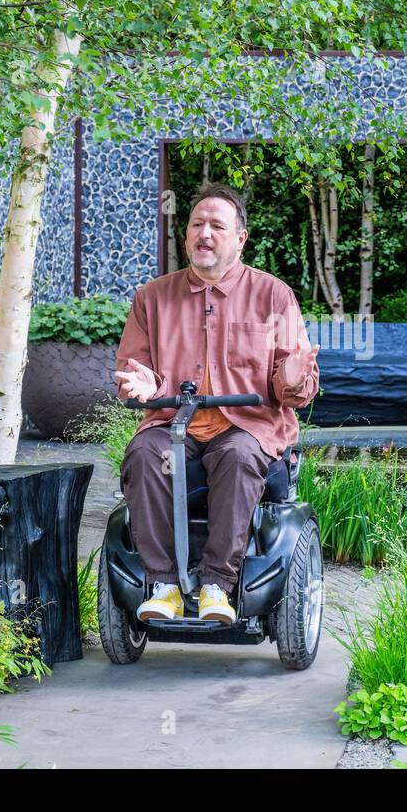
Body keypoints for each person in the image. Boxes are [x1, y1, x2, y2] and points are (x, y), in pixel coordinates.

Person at [115, 182, 319, 624]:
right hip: (176, 426)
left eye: (216, 226)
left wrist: (292, 376)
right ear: (185, 233)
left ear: (240, 238)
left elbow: (299, 387)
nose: (204, 233)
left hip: (246, 426)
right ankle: (163, 584)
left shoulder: (273, 296)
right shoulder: (151, 298)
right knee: (145, 453)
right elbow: (135, 367)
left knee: (238, 454)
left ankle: (217, 586)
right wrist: (142, 383)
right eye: (196, 224)